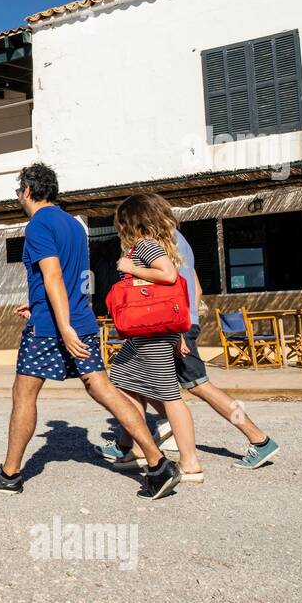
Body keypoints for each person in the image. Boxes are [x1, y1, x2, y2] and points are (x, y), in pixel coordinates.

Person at [0, 163, 180, 499]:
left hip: (52, 328)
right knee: (103, 389)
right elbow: (71, 277)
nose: (18, 197)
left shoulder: (38, 224)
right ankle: (158, 465)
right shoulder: (73, 225)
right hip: (80, 320)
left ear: (26, 190)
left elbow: (53, 276)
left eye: (18, 191)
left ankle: (9, 475)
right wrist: (38, 305)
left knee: (23, 394)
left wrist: (61, 325)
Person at [101, 225, 280, 469]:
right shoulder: (176, 238)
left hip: (172, 325)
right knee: (133, 379)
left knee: (200, 386)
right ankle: (130, 444)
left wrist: (181, 328)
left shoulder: (153, 244)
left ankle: (258, 439)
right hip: (177, 322)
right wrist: (189, 316)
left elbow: (171, 279)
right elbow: (196, 285)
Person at [100, 194, 203, 491]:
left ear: (132, 222)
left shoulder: (145, 245)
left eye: (122, 222)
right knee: (123, 379)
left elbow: (169, 277)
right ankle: (132, 447)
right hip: (151, 333)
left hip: (152, 335)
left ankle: (189, 461)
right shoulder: (156, 244)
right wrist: (179, 332)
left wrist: (130, 267)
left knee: (169, 396)